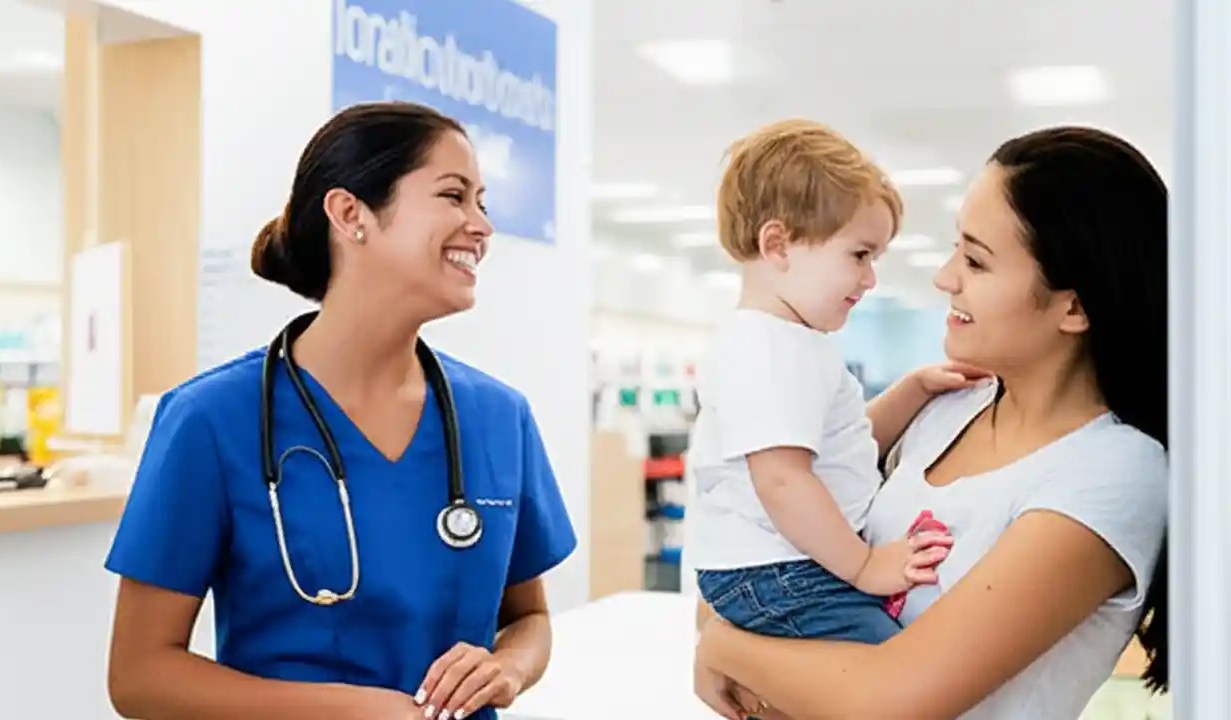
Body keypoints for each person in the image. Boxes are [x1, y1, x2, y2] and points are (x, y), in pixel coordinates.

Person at [103, 101, 578, 720]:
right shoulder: (211, 418)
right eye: (453, 195)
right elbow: (139, 675)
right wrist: (347, 711)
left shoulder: (497, 418)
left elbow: (529, 617)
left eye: (481, 202)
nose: (481, 225)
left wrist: (507, 667)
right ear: (350, 213)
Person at [693, 125, 1169, 720]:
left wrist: (722, 647)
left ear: (1073, 306)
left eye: (975, 259)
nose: (944, 277)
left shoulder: (1114, 475)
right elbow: (785, 509)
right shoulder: (946, 411)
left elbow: (889, 702)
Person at [687, 118, 969, 647]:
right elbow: (783, 481)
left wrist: (914, 390)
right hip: (783, 572)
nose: (870, 278)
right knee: (896, 671)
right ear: (779, 245)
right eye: (859, 255)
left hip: (784, 567)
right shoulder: (769, 349)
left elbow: (840, 449)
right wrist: (863, 566)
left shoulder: (789, 342)